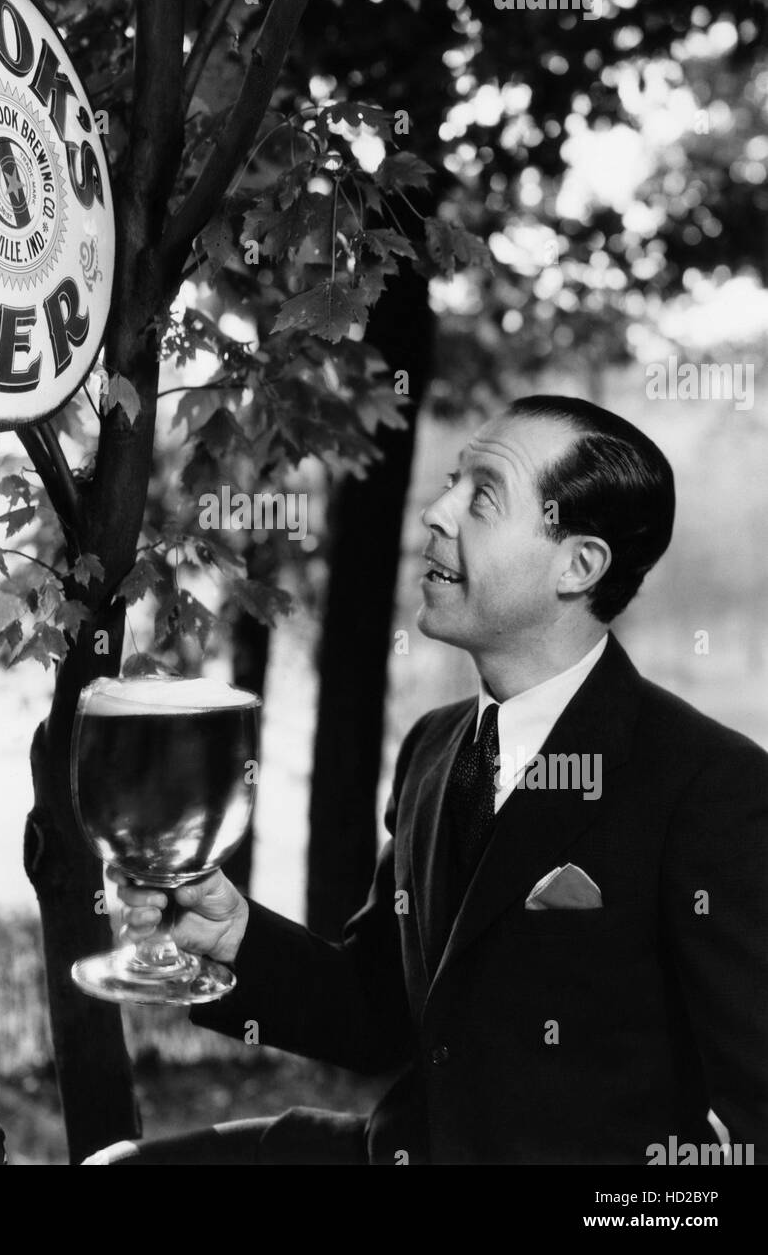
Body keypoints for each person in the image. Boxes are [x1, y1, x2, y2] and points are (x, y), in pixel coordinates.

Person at [86, 395, 768, 1165]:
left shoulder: (715, 789)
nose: (436, 513)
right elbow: (379, 1013)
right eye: (451, 483)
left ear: (578, 566)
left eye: (481, 495)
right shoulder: (436, 747)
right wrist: (233, 934)